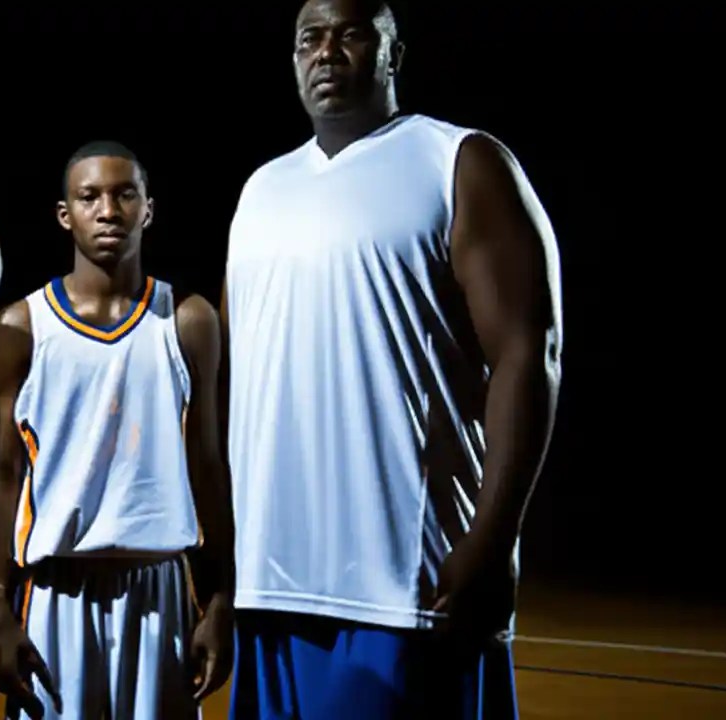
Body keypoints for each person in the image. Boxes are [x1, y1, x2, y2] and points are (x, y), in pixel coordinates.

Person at [222, 0, 563, 717]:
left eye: (350, 35)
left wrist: (496, 536)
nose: (326, 52)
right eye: (309, 38)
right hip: (271, 584)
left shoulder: (459, 161)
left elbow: (530, 354)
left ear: (392, 54)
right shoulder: (261, 190)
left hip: (404, 587)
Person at [0, 141, 236, 720]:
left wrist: (221, 598)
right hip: (55, 592)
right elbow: (2, 475)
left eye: (125, 194)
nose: (108, 210)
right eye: (89, 196)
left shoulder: (188, 321)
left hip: (160, 588)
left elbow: (209, 466)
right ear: (64, 214)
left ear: (148, 209)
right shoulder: (22, 326)